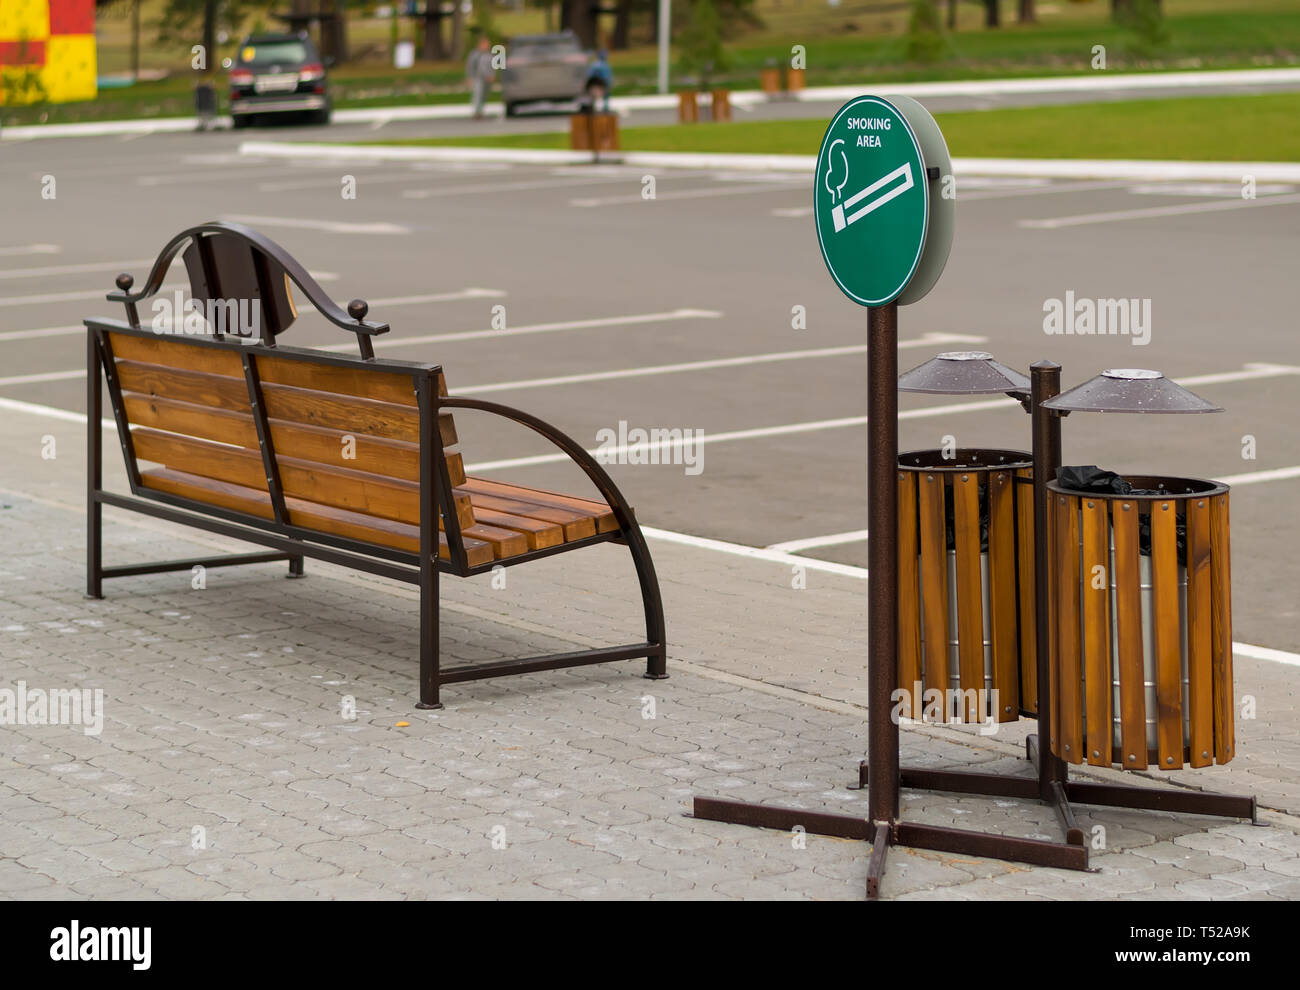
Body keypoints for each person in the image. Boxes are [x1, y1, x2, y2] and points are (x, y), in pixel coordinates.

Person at [466, 35, 495, 120]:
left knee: (484, 95)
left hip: (487, 78)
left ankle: (481, 110)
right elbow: (470, 66)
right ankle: (477, 112)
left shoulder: (490, 55)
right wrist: (469, 77)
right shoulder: (474, 55)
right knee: (477, 94)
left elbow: (492, 67)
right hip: (477, 78)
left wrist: (492, 75)